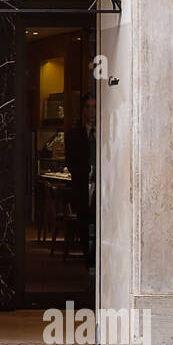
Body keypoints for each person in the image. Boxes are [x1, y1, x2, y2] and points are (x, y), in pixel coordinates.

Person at [65, 92, 96, 269]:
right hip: (82, 186)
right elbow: (70, 161)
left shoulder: (105, 131)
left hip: (103, 188)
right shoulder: (74, 133)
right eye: (88, 107)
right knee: (85, 223)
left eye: (94, 107)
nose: (91, 111)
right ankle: (88, 264)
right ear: (82, 110)